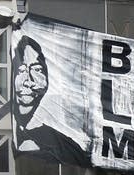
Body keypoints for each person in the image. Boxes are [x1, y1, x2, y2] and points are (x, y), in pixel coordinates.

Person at [12, 36, 90, 166]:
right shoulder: (6, 135)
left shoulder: (60, 142)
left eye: (37, 70)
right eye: (21, 70)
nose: (29, 81)